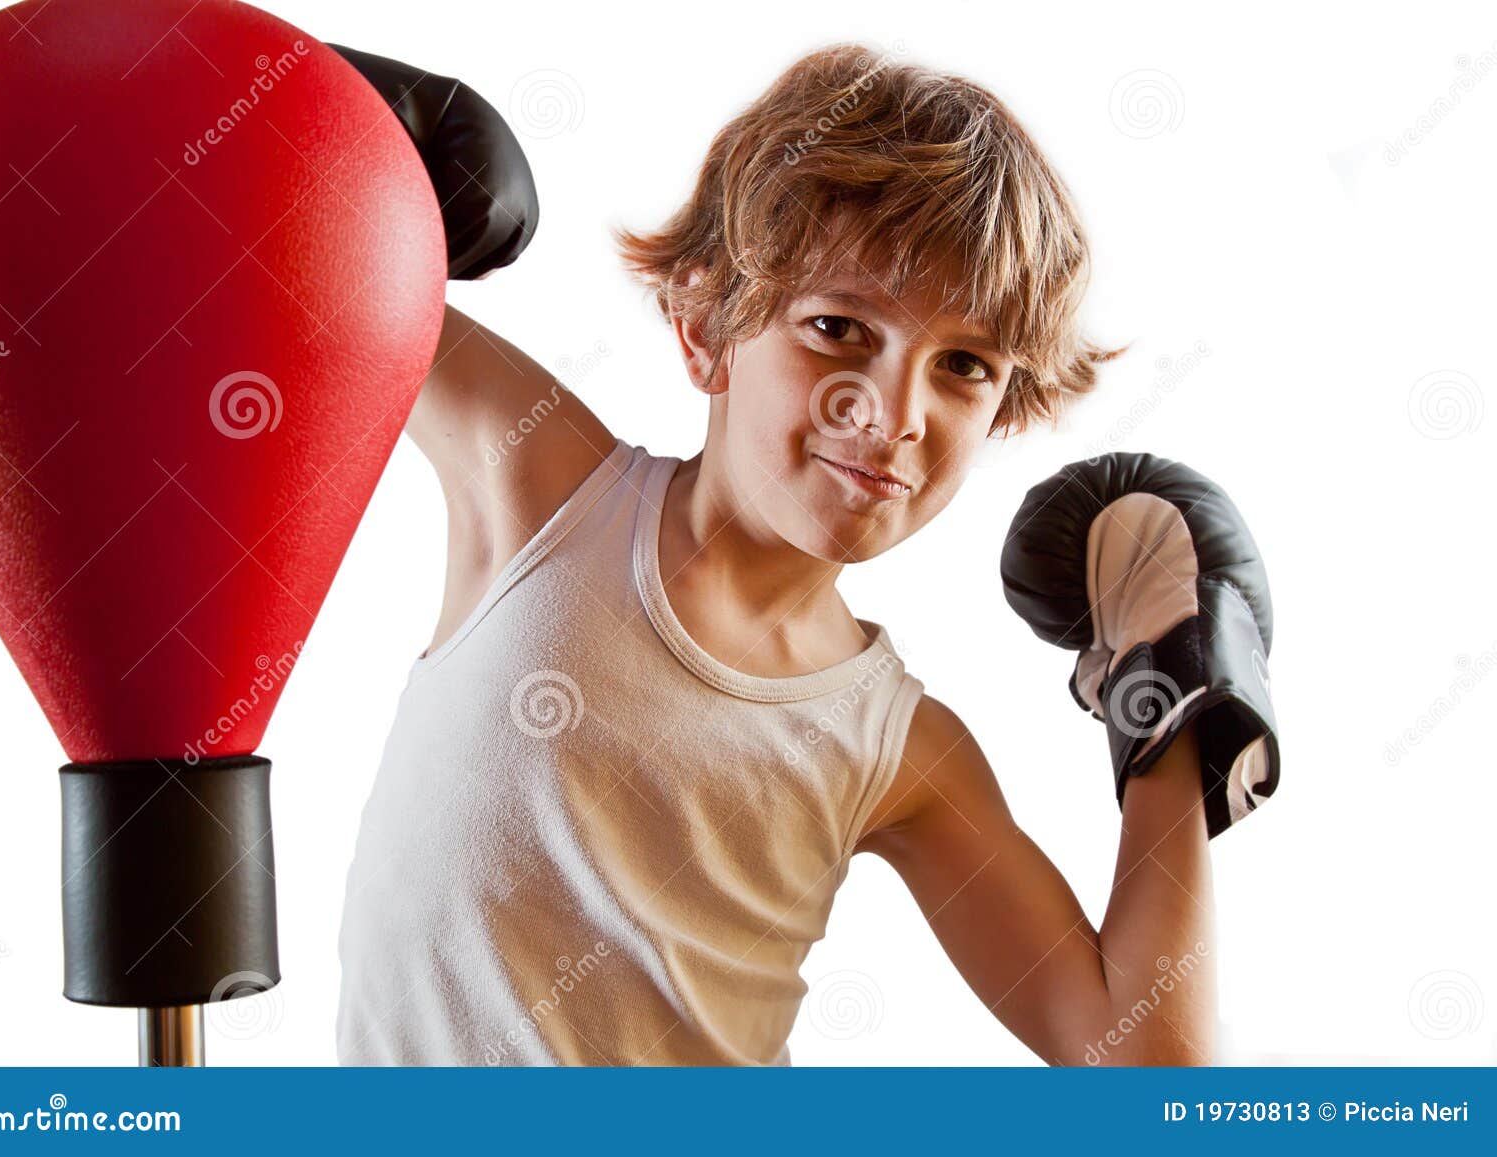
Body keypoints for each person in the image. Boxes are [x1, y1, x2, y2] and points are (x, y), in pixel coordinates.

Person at [334, 41, 1277, 1066]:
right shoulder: (540, 486)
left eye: (963, 364)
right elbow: (272, 234)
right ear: (702, 327)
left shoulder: (895, 746)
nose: (892, 413)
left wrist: (1173, 697)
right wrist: (354, 117)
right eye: (836, 326)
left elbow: (1143, 1068)